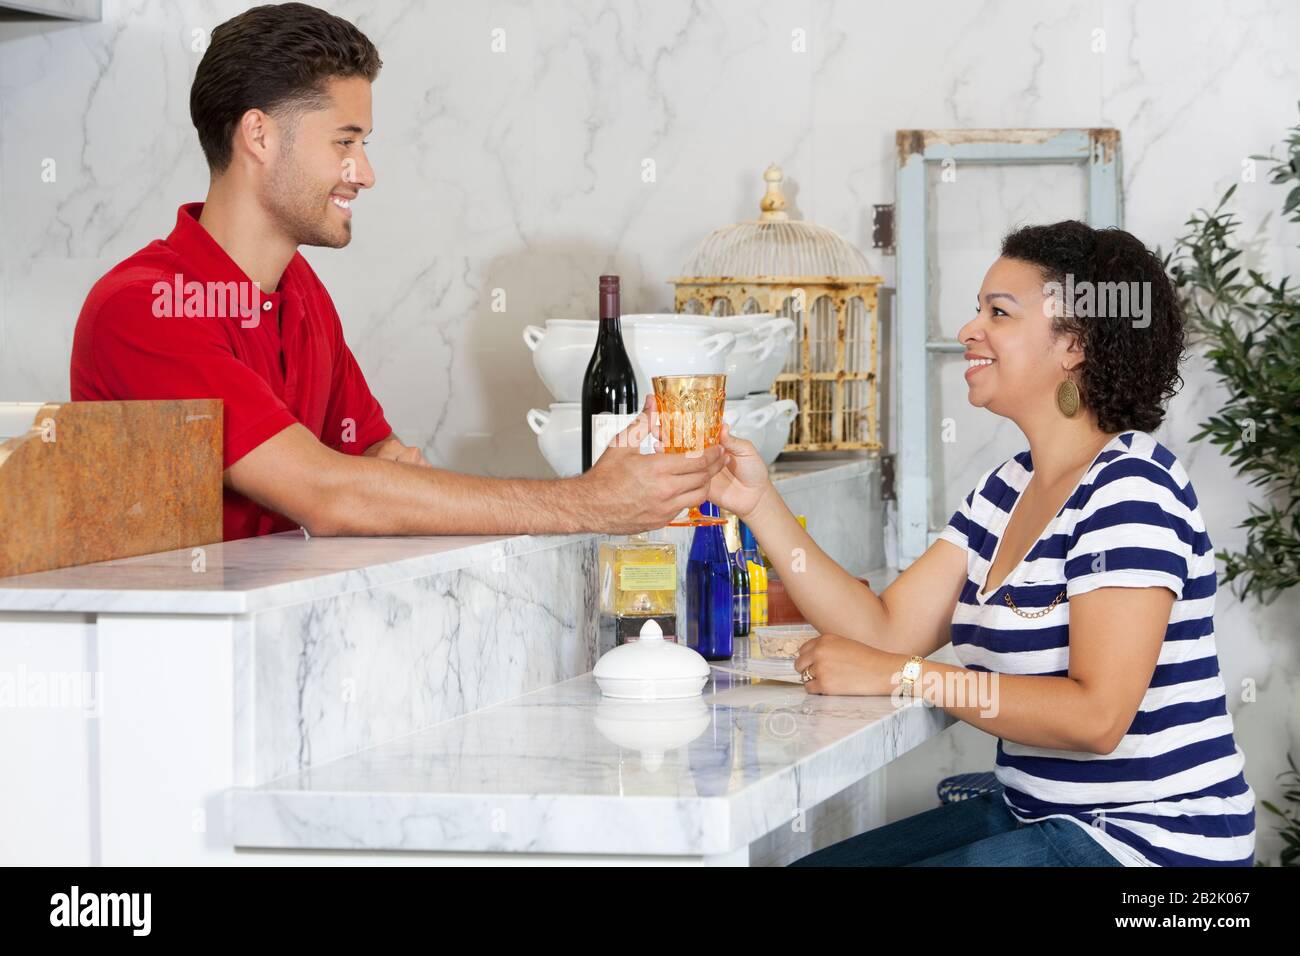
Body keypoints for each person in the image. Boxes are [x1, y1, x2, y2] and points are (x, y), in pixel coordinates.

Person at [708, 220, 1256, 867]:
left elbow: (1096, 717)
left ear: (1074, 342)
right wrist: (760, 502)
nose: (971, 330)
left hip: (1147, 846)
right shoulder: (1006, 489)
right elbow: (884, 630)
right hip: (1043, 814)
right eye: (978, 310)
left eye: (999, 312)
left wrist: (905, 676)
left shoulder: (1131, 489)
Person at [70, 3, 720, 542]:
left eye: (365, 145)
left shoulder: (300, 294)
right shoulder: (147, 307)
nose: (365, 172)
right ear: (260, 137)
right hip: (173, 674)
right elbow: (329, 493)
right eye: (345, 142)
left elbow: (376, 460)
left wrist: (381, 481)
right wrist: (585, 504)